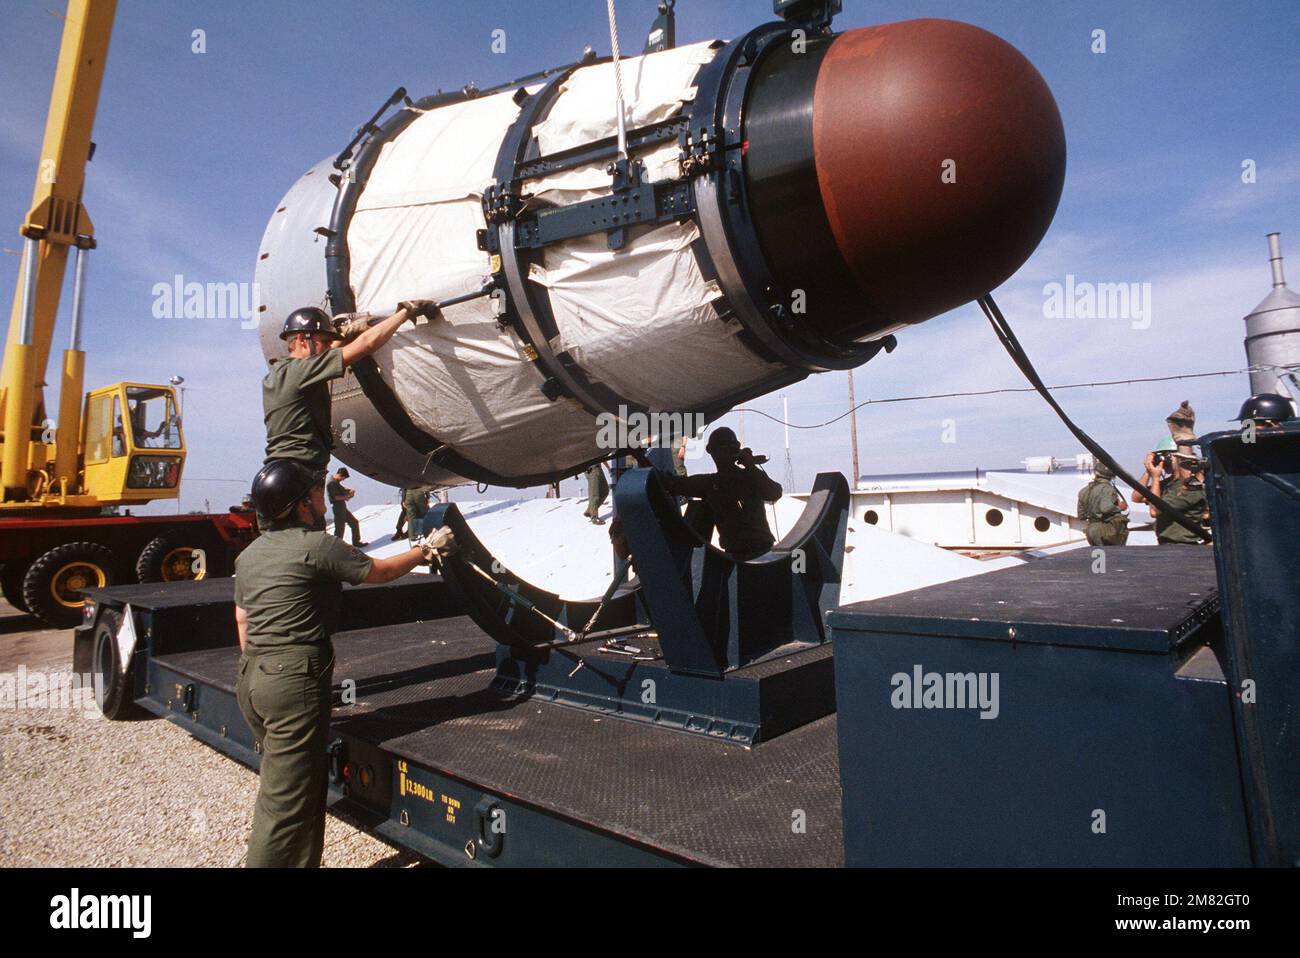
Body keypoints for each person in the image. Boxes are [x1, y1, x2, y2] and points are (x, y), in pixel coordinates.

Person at [234, 459, 447, 867]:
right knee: (284, 804)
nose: (323, 500)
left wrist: (263, 667)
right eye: (316, 494)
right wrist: (424, 549)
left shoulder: (251, 555)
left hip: (253, 676)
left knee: (298, 785)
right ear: (300, 506)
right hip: (291, 682)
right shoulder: (316, 545)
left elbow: (242, 618)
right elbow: (380, 572)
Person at [262, 302, 435, 472]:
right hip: (300, 471)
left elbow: (327, 354)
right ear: (302, 340)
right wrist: (405, 312)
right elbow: (366, 344)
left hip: (287, 471)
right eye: (325, 341)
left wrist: (347, 334)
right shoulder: (301, 371)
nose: (330, 346)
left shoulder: (282, 372)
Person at [657, 427, 783, 560]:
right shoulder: (711, 483)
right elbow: (670, 484)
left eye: (729, 447)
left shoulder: (745, 478)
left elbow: (774, 493)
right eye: (723, 447)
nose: (726, 451)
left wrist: (750, 466)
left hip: (758, 552)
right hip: (740, 554)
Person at [1142, 447, 1209, 545]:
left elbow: (1155, 510)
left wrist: (1155, 477)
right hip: (1170, 544)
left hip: (1181, 545)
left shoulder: (1193, 489)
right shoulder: (1174, 485)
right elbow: (1137, 497)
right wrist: (1148, 472)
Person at [1076, 461, 1129, 546]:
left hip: (1091, 530)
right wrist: (1120, 507)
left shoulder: (1083, 491)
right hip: (1107, 531)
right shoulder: (1108, 489)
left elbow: (1081, 516)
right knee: (1113, 557)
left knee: (1100, 557)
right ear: (1112, 476)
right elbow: (1105, 508)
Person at [326, 467, 366, 546]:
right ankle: (335, 548)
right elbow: (335, 497)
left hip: (341, 507)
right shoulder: (331, 483)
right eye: (343, 478)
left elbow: (341, 488)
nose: (343, 480)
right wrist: (347, 496)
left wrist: (349, 491)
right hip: (337, 508)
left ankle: (356, 542)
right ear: (340, 475)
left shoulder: (335, 481)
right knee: (339, 530)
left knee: (354, 523)